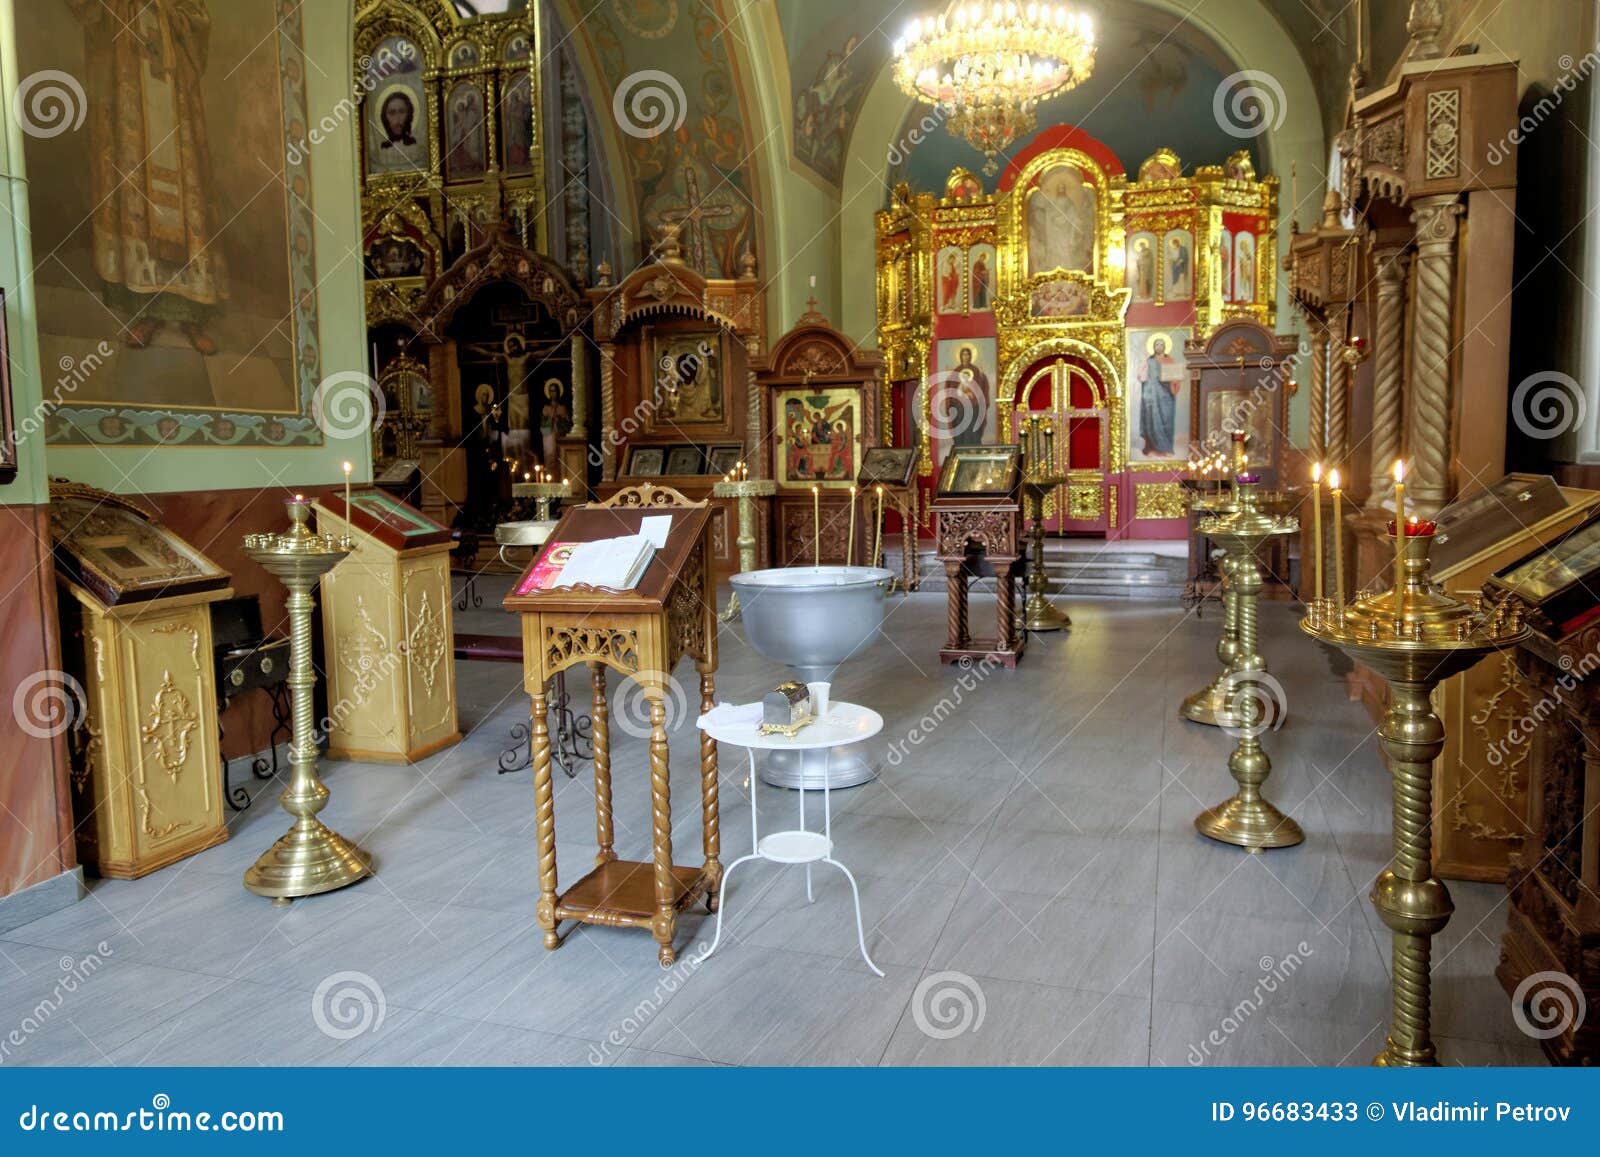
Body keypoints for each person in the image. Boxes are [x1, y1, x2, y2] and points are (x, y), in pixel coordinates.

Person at [1138, 337, 1181, 457]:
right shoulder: (1149, 361)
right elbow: (1142, 378)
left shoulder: (1170, 360)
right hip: (1152, 397)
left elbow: (1176, 379)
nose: (1159, 347)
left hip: (1166, 397)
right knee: (1151, 420)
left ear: (1165, 347)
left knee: (1166, 420)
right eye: (1157, 344)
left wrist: (1173, 380)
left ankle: (1166, 448)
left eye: (1161, 344)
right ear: (1153, 347)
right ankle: (1151, 448)